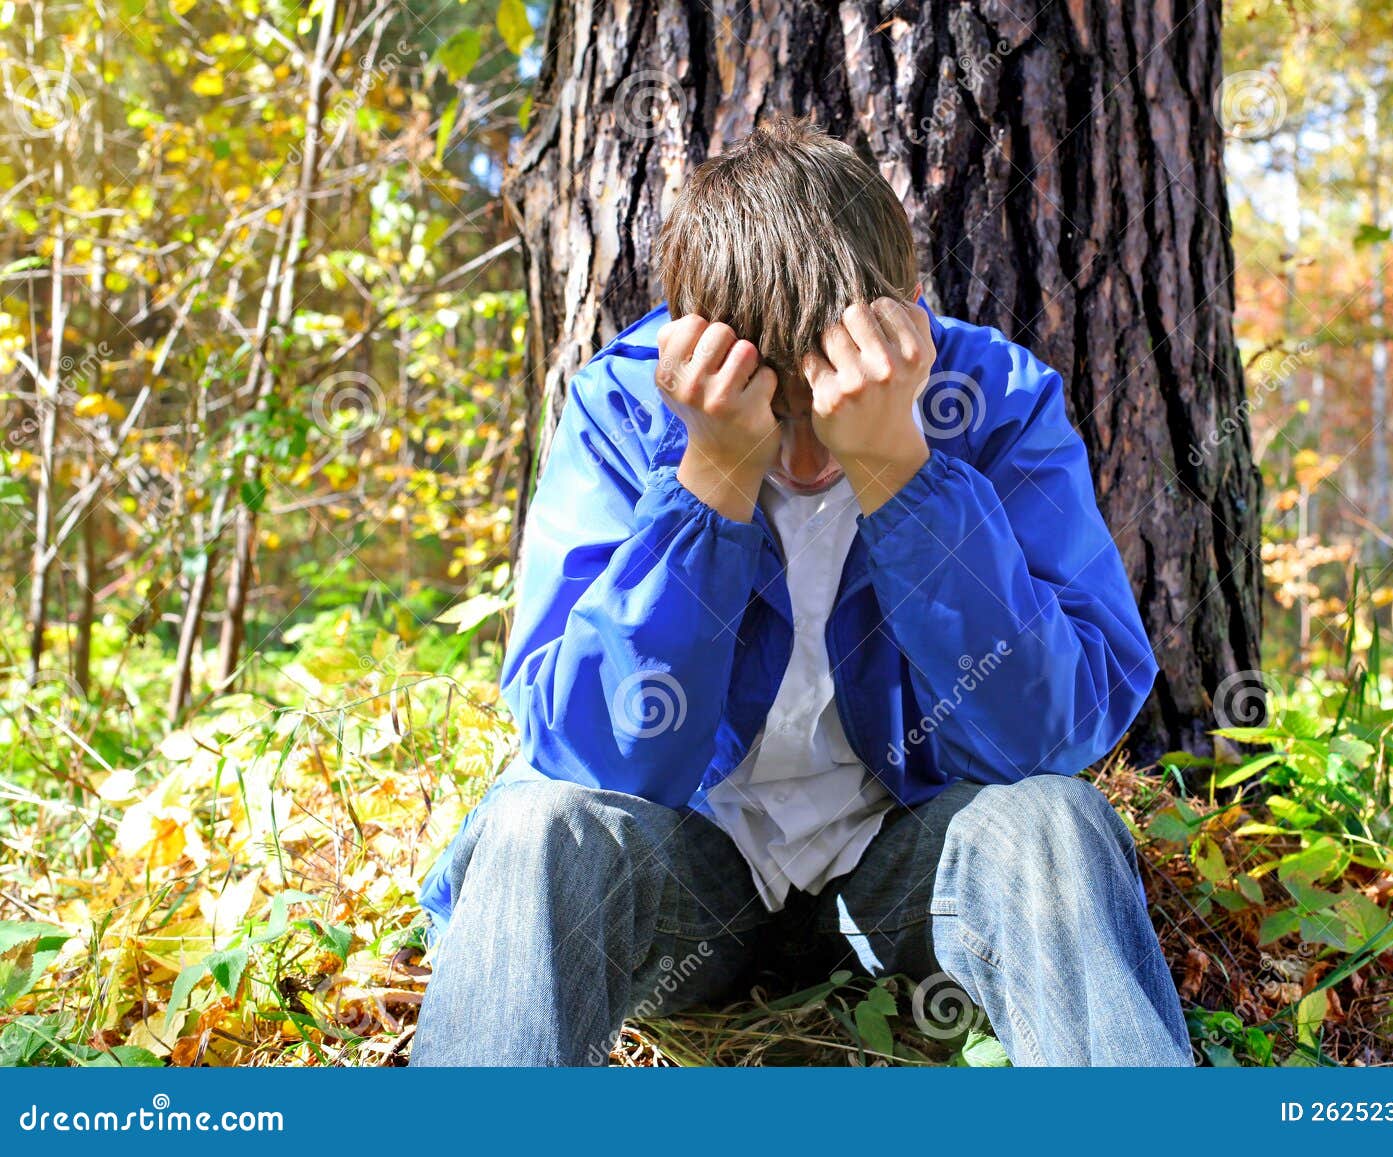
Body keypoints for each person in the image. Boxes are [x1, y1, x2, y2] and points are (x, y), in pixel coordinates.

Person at [411, 116, 1190, 1067]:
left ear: (906, 315)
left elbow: (1050, 738)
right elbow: (586, 753)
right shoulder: (625, 408)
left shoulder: (993, 401)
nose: (815, 456)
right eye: (781, 410)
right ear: (703, 346)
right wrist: (709, 481)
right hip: (693, 871)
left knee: (1055, 824)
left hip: (909, 864)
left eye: (831, 398)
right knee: (535, 826)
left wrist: (905, 473)